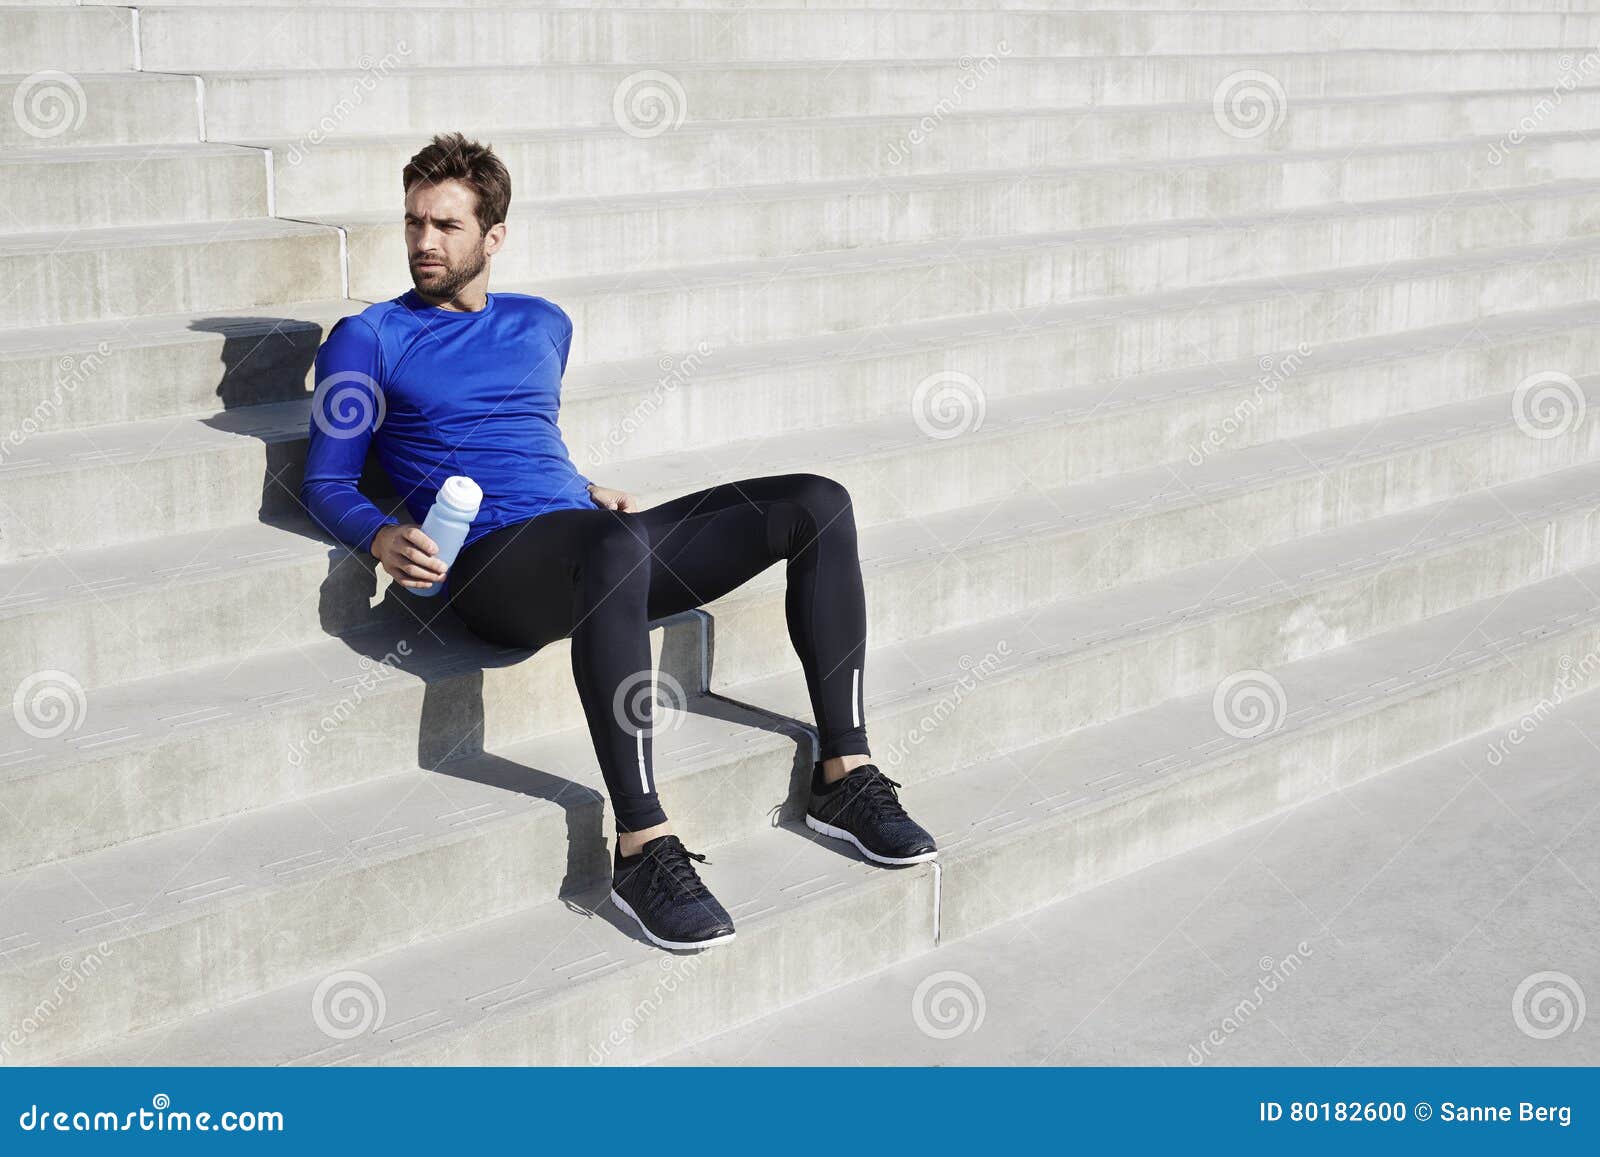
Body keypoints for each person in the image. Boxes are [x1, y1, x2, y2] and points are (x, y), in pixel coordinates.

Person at [300, 132, 936, 952]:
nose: (424, 242)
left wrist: (582, 483)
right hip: (492, 572)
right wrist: (381, 536)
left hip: (590, 540)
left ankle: (844, 775)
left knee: (818, 502)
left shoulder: (543, 323)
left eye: (447, 225)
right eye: (415, 221)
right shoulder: (369, 337)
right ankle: (641, 845)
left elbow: (520, 436)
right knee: (609, 546)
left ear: (493, 236)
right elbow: (324, 483)